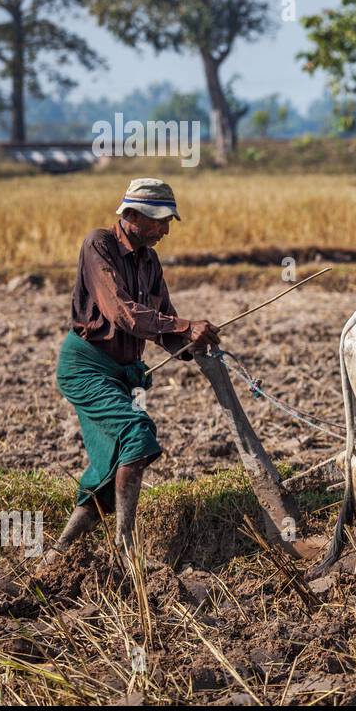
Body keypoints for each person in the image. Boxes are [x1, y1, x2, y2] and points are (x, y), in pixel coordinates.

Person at [46, 178, 219, 561]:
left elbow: (165, 322)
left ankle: (56, 554)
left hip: (125, 374)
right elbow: (122, 313)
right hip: (87, 368)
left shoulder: (149, 261)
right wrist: (182, 327)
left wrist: (196, 344)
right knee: (137, 434)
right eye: (159, 221)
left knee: (111, 463)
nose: (165, 230)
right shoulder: (99, 245)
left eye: (169, 221)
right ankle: (125, 545)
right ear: (132, 215)